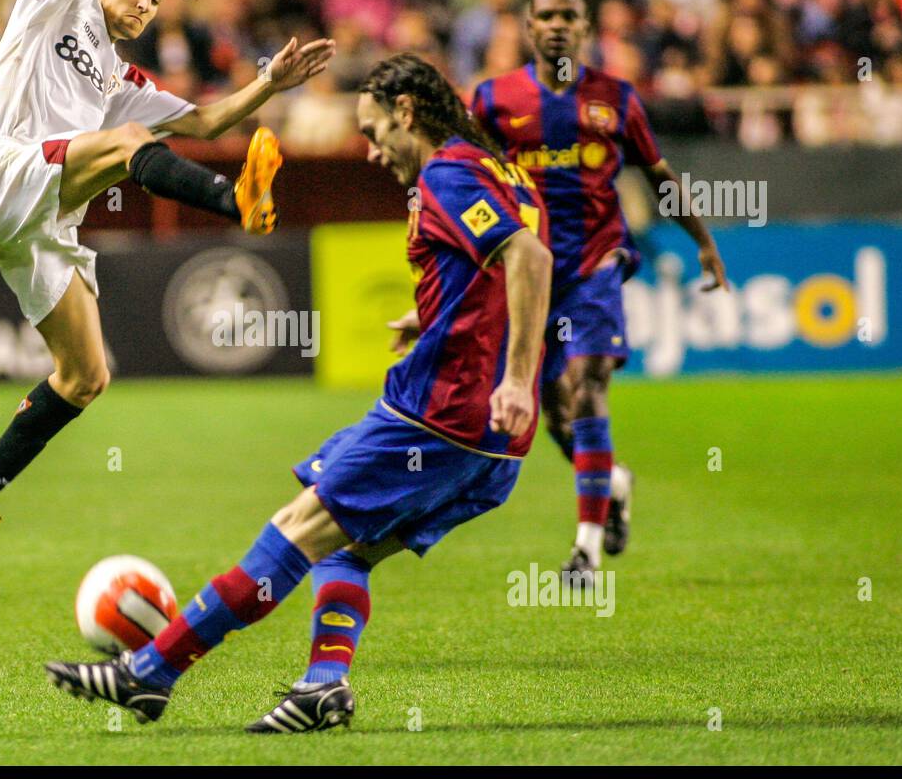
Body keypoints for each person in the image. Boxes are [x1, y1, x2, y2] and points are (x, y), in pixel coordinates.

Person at [45, 53, 553, 732]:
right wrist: (434, 319)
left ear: (407, 112)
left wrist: (515, 377)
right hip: (493, 441)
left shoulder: (447, 175)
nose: (371, 153)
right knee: (347, 547)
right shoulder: (501, 170)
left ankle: (149, 673)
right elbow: (505, 269)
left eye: (373, 132)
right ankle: (323, 688)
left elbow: (529, 259)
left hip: (441, 415)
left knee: (293, 532)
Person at [0, 0, 335, 583]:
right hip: (0, 180)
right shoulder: (60, 0)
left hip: (42, 225)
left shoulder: (120, 77)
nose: (146, 2)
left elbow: (203, 122)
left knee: (84, 377)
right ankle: (236, 202)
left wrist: (268, 83)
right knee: (125, 143)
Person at [467, 0, 729, 579]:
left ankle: (583, 551)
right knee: (554, 415)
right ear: (528, 27)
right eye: (547, 15)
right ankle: (611, 481)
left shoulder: (617, 99)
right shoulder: (492, 100)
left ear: (586, 28)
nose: (557, 25)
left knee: (587, 385)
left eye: (569, 15)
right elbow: (463, 178)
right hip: (528, 272)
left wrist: (705, 244)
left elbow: (659, 174)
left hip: (596, 262)